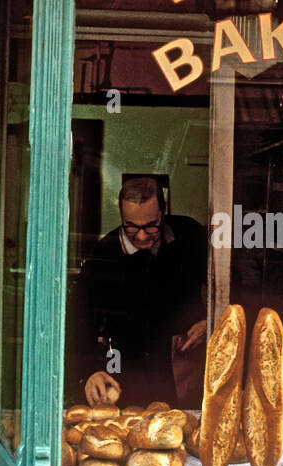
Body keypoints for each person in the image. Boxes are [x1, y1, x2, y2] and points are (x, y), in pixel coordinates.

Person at [67, 175, 208, 408]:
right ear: (121, 215)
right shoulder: (104, 254)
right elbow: (79, 320)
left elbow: (226, 287)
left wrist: (210, 321)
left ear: (163, 212)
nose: (142, 236)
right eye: (131, 226)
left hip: (181, 371)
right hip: (121, 366)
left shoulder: (190, 236)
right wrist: (89, 372)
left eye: (151, 226)